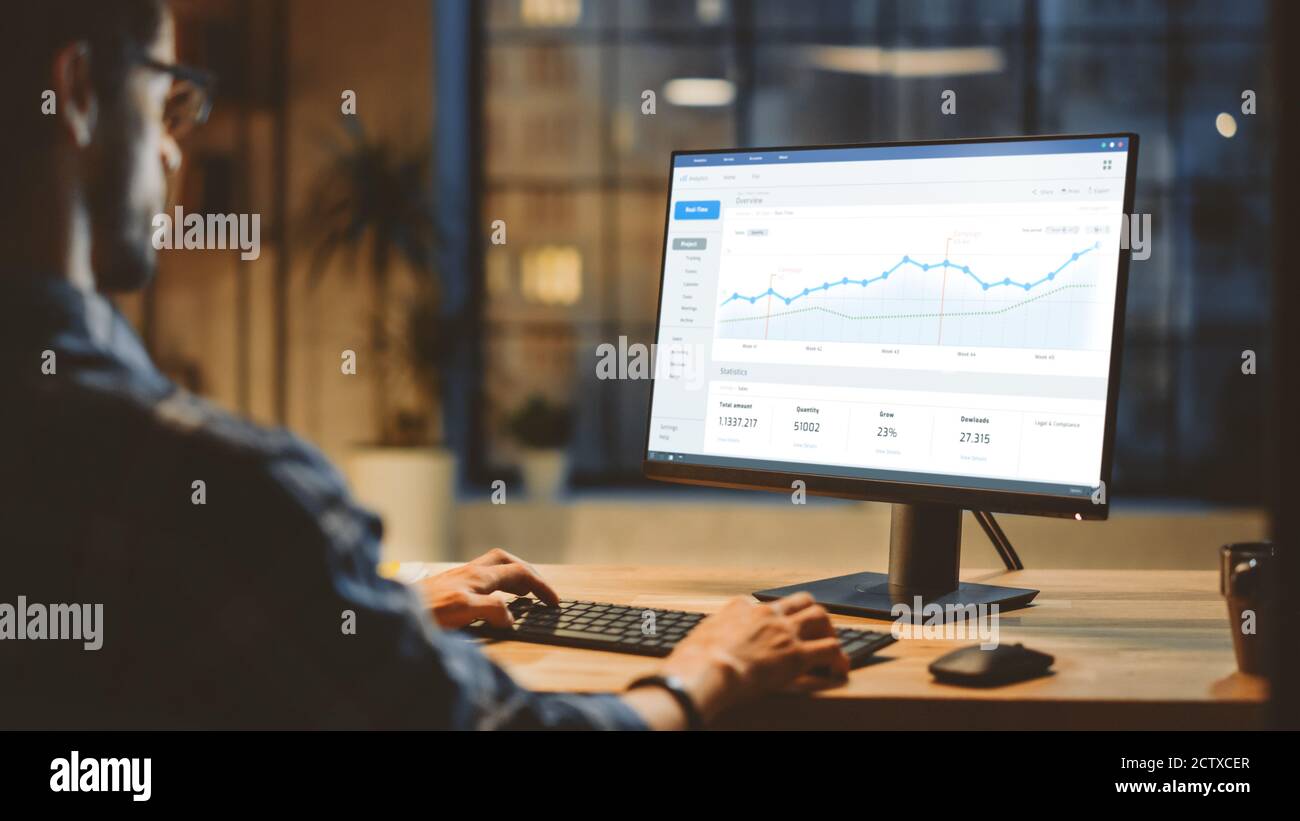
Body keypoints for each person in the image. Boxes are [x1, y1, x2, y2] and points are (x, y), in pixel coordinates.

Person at [0, 0, 848, 730]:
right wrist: (707, 670)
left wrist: (366, 615)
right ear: (75, 94)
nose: (174, 154)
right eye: (166, 103)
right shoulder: (223, 490)